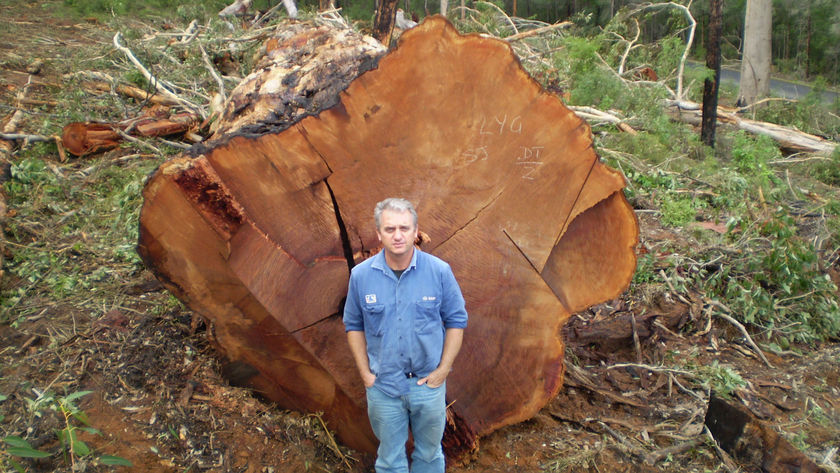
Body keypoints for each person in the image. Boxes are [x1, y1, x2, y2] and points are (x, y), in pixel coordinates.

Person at [343, 197, 468, 473]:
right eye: (389, 229)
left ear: (415, 231)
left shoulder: (439, 272)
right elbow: (353, 325)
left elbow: (457, 321)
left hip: (428, 385)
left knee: (429, 455)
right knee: (389, 459)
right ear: (378, 234)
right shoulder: (361, 276)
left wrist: (443, 370)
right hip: (383, 386)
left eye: (404, 228)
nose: (397, 235)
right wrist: (365, 374)